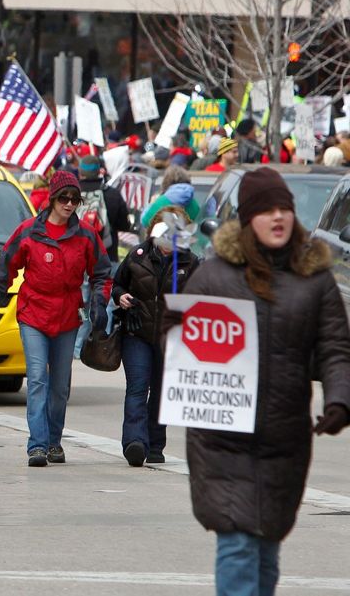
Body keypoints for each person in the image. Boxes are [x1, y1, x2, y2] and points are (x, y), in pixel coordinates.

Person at [164, 168, 350, 595]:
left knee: (265, 549)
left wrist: (340, 400)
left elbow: (336, 348)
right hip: (222, 441)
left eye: (284, 208)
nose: (278, 217)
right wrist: (173, 327)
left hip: (284, 440)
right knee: (239, 542)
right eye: (267, 210)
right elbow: (178, 345)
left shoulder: (315, 278)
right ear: (249, 219)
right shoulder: (214, 276)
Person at [0, 170, 110, 467]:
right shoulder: (28, 232)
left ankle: (54, 441)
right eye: (64, 198)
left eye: (74, 199)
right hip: (33, 313)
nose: (69, 204)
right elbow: (5, 269)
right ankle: (37, 445)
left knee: (60, 385)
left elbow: (102, 273)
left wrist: (100, 305)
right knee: (37, 378)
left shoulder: (86, 237)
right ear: (52, 199)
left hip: (67, 315)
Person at [111, 206, 199, 467]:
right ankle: (134, 443)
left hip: (170, 338)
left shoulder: (190, 262)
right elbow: (117, 284)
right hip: (137, 332)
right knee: (138, 388)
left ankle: (156, 443)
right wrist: (120, 297)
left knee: (162, 391)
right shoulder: (137, 256)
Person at [76, 155, 131, 264]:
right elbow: (125, 225)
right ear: (99, 171)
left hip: (77, 262)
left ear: (80, 173)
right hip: (107, 258)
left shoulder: (70, 195)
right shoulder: (113, 194)